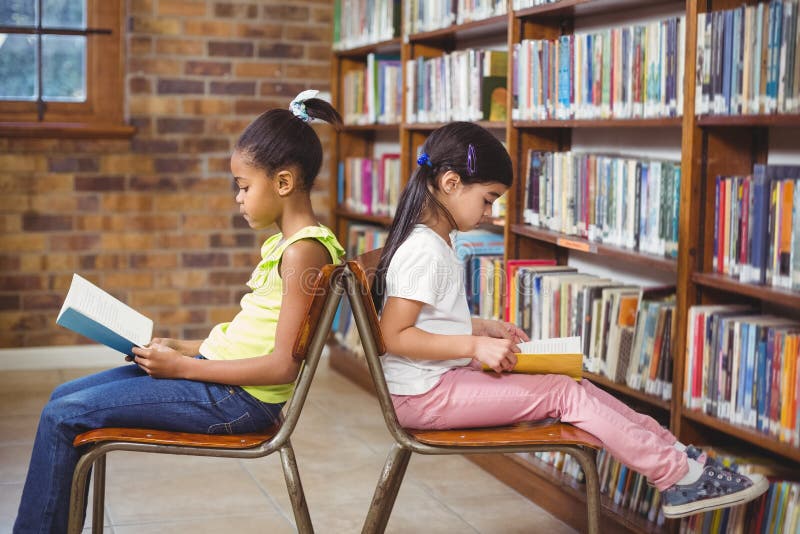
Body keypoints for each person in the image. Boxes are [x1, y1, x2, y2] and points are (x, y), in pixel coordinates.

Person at [370, 121, 768, 520]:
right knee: (563, 393)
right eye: (488, 199)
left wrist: (480, 326)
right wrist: (473, 346)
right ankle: (676, 475)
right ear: (451, 183)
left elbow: (427, 319)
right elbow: (393, 335)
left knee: (572, 383)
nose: (490, 213)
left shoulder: (434, 241)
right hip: (422, 397)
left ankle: (680, 456)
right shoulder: (423, 249)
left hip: (433, 382)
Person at [14, 90, 345, 533]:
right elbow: (252, 337)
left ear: (283, 183)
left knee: (62, 416)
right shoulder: (291, 246)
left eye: (244, 187)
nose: (238, 199)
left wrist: (184, 368)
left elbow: (283, 366)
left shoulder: (304, 253)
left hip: (238, 401)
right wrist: (182, 348)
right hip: (220, 380)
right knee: (60, 400)